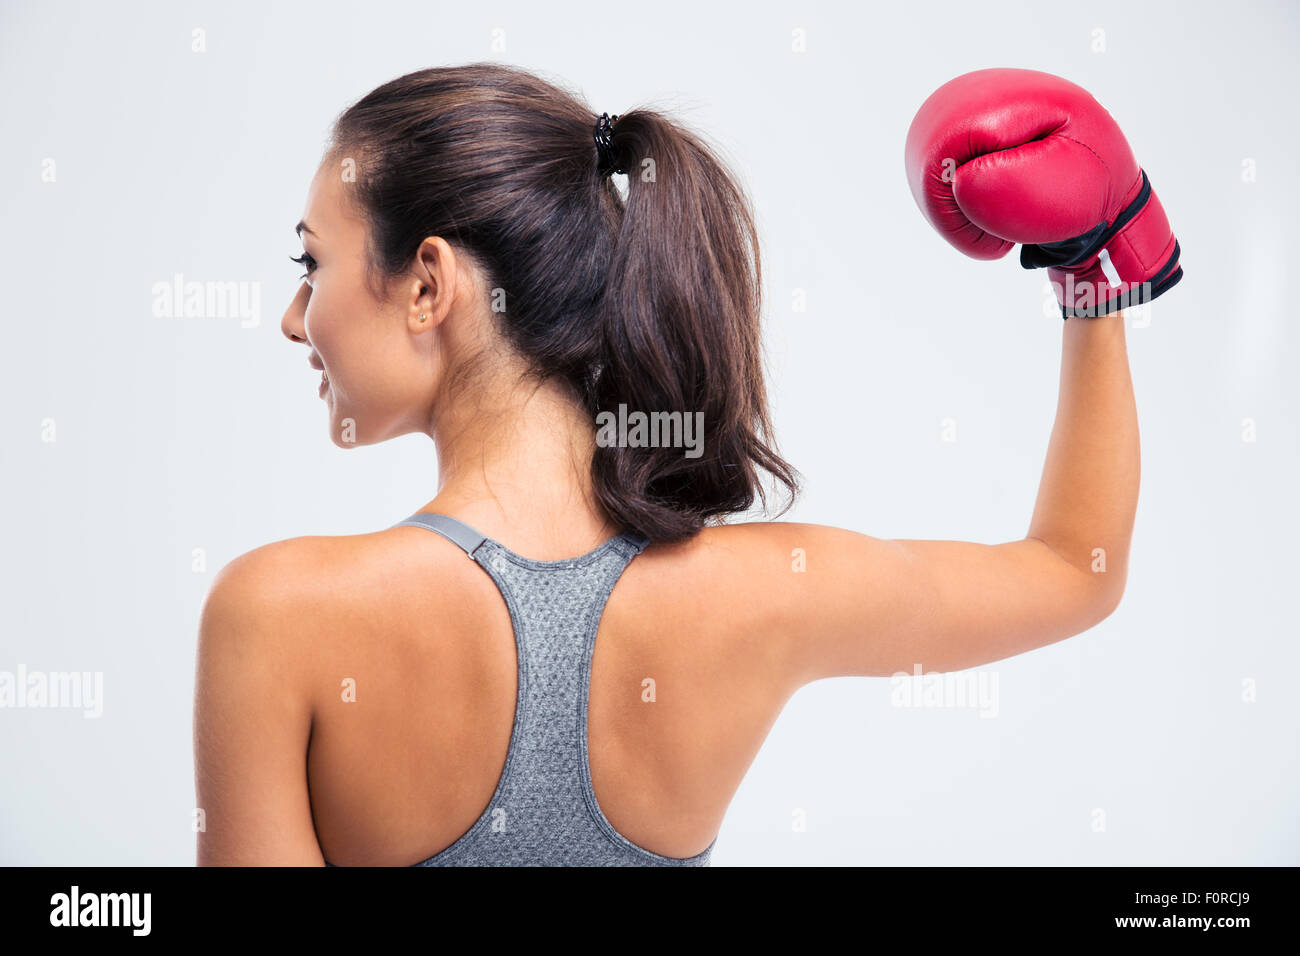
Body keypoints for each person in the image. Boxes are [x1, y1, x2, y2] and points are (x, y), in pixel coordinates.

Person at [193, 63, 1179, 865]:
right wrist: (1093, 273)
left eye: (310, 264)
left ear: (427, 283)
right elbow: (1072, 568)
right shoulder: (762, 594)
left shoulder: (278, 615)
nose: (294, 319)